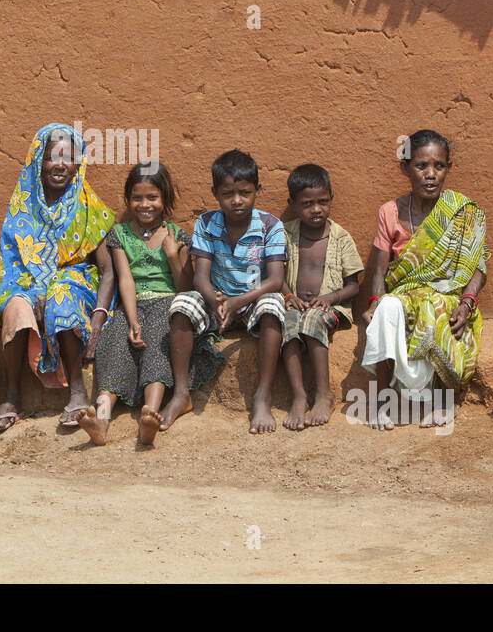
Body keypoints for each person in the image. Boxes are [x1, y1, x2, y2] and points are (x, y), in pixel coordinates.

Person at [76, 162, 222, 446]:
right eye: (137, 198)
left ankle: (151, 415)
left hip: (169, 304)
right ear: (128, 200)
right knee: (115, 345)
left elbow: (185, 288)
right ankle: (101, 419)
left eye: (152, 197)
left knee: (158, 344)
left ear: (165, 199)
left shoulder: (177, 236)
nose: (145, 204)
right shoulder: (119, 235)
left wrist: (171, 256)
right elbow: (126, 280)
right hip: (133, 306)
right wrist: (131, 320)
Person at [0, 123, 116, 433]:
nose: (59, 165)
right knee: (17, 304)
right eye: (51, 157)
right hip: (28, 282)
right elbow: (12, 263)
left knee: (61, 295)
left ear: (78, 163)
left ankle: (77, 392)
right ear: (37, 160)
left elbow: (107, 270)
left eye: (68, 157)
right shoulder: (22, 207)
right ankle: (12, 397)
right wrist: (36, 289)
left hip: (77, 281)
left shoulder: (88, 206)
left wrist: (98, 316)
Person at [360, 130, 489, 429]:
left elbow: (477, 265)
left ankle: (445, 401)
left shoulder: (464, 211)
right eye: (421, 166)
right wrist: (375, 302)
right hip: (404, 294)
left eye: (439, 166)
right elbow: (379, 271)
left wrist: (468, 303)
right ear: (405, 168)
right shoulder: (389, 212)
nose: (431, 174)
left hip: (450, 296)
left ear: (448, 169)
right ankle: (383, 400)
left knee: (437, 306)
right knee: (388, 310)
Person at [166, 149, 286, 434]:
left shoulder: (271, 226)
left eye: (245, 192)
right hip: (217, 298)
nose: (237, 200)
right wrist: (216, 302)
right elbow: (201, 277)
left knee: (272, 305)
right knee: (182, 304)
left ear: (257, 190)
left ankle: (262, 396)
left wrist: (238, 302)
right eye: (227, 194)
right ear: (215, 193)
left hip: (253, 298)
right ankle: (181, 393)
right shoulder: (207, 224)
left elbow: (276, 280)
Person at [279, 163, 362, 430]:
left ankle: (324, 393)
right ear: (292, 203)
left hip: (331, 309)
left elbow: (354, 286)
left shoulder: (340, 237)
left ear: (331, 200)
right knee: (288, 322)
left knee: (314, 319)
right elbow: (274, 273)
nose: (316, 209)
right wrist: (288, 294)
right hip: (295, 303)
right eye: (307, 203)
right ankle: (299, 395)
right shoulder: (284, 234)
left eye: (323, 202)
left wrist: (331, 297)